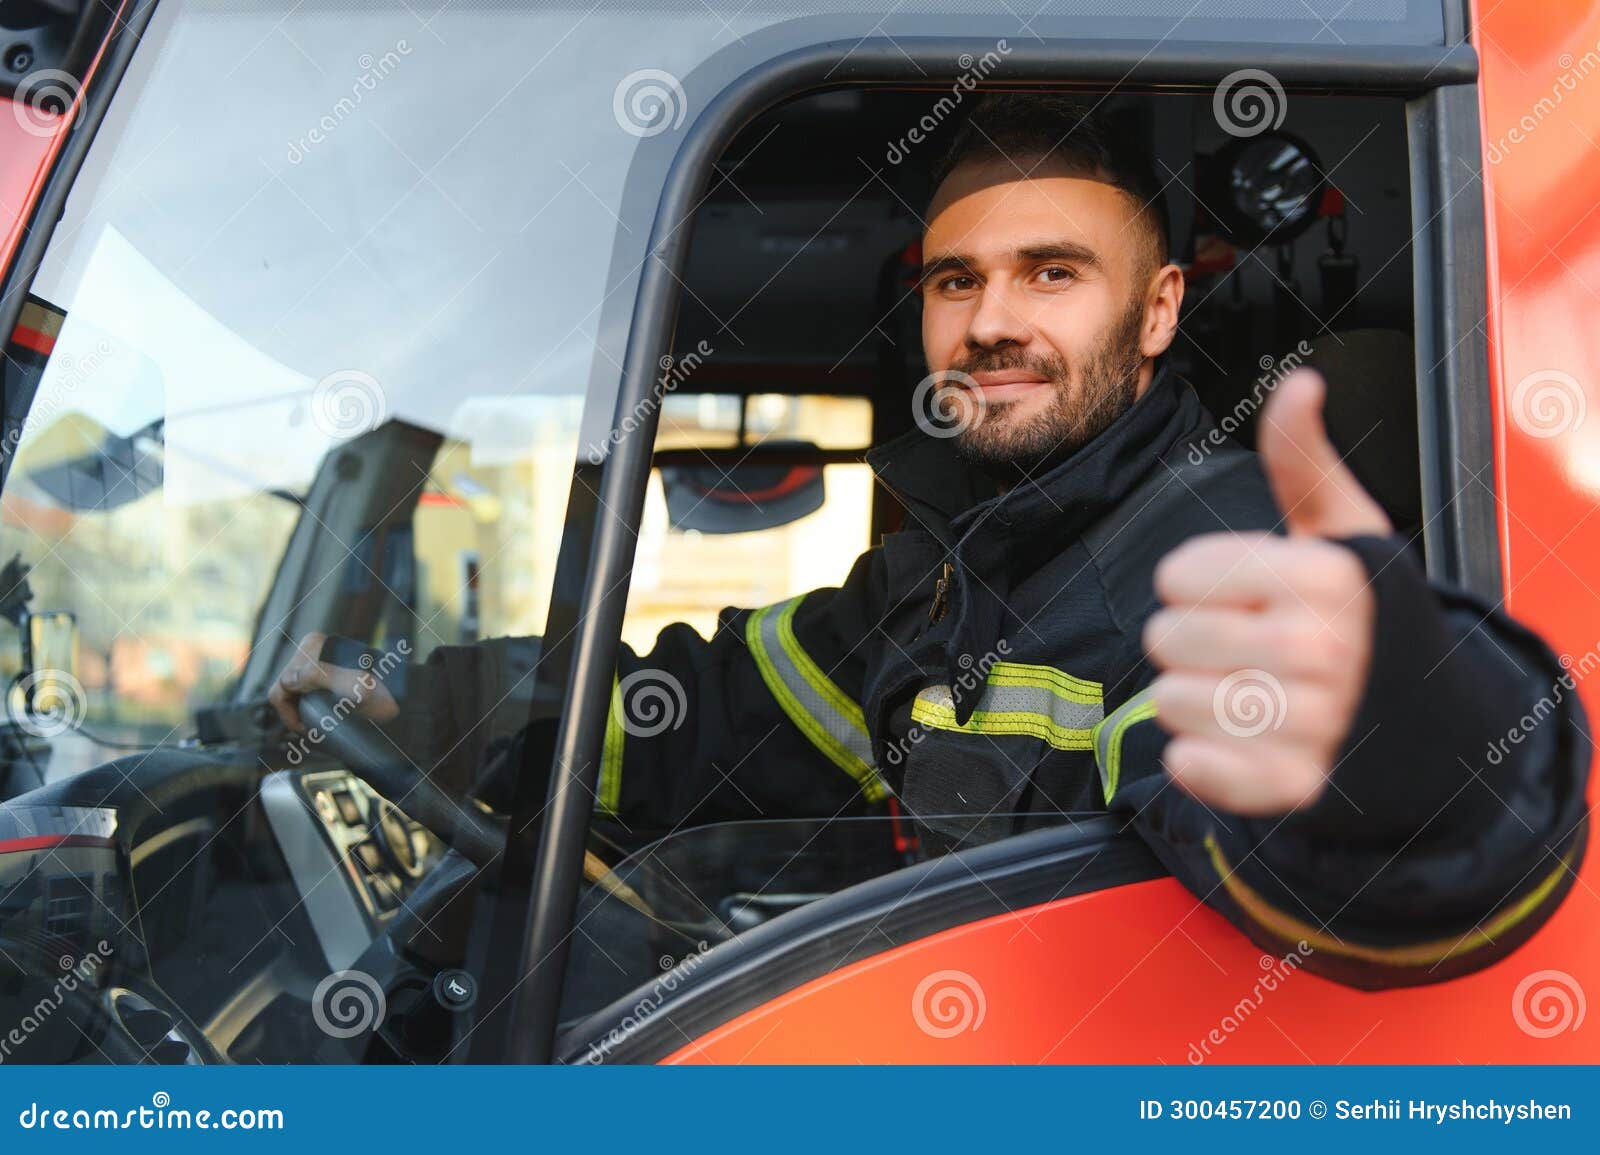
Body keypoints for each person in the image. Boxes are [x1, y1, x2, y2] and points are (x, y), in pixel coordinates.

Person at [271, 94, 1589, 988]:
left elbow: (1365, 862)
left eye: (1052, 272)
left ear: (1156, 311)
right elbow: (700, 717)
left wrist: (1402, 754)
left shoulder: (1223, 563)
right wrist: (426, 707)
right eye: (959, 281)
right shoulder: (936, 579)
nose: (992, 321)